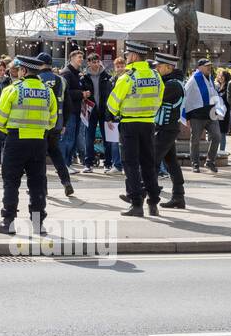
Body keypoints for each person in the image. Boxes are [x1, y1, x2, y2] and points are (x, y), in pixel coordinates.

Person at [0, 55, 57, 235]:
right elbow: (53, 120)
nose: (17, 72)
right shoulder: (47, 91)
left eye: (19, 69)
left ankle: (8, 222)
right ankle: (38, 223)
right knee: (37, 182)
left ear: (24, 71)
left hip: (16, 140)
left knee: (11, 181)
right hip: (39, 142)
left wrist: (9, 132)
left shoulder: (13, 90)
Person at [108, 41, 163, 216]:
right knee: (148, 163)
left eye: (127, 55)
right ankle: (153, 202)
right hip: (148, 123)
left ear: (133, 56)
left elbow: (112, 104)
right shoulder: (155, 75)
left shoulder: (127, 77)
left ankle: (136, 203)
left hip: (130, 124)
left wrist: (116, 112)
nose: (126, 58)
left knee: (130, 164)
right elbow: (159, 97)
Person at [35, 52, 75, 197]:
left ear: (40, 64)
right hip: (57, 124)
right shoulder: (61, 80)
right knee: (55, 153)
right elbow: (68, 105)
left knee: (39, 157)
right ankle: (66, 182)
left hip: (40, 125)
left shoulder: (37, 79)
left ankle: (43, 188)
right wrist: (63, 123)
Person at [153, 54, 188, 210]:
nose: (157, 69)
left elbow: (156, 100)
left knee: (152, 160)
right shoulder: (170, 82)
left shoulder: (173, 85)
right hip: (166, 128)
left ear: (169, 67)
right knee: (171, 162)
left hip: (167, 128)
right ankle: (178, 197)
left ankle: (140, 192)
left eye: (159, 66)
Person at [183, 58, 221, 174]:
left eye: (210, 65)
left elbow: (214, 94)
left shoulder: (210, 78)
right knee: (195, 140)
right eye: (206, 66)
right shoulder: (193, 80)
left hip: (211, 113)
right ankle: (195, 163)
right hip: (197, 115)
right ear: (199, 68)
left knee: (217, 136)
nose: (209, 68)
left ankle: (210, 161)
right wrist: (187, 116)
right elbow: (187, 98)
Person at [81, 54, 113, 172]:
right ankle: (88, 163)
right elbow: (81, 95)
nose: (95, 64)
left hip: (104, 111)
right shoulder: (84, 78)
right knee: (89, 138)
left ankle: (108, 163)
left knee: (107, 138)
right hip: (90, 112)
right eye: (93, 62)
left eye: (97, 62)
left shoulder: (107, 77)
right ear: (88, 63)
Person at [58, 49, 85, 168]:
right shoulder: (66, 73)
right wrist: (81, 94)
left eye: (81, 57)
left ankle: (68, 163)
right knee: (67, 139)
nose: (81, 59)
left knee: (72, 139)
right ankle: (64, 164)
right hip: (69, 111)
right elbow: (65, 92)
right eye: (79, 57)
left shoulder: (76, 73)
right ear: (72, 58)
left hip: (76, 110)